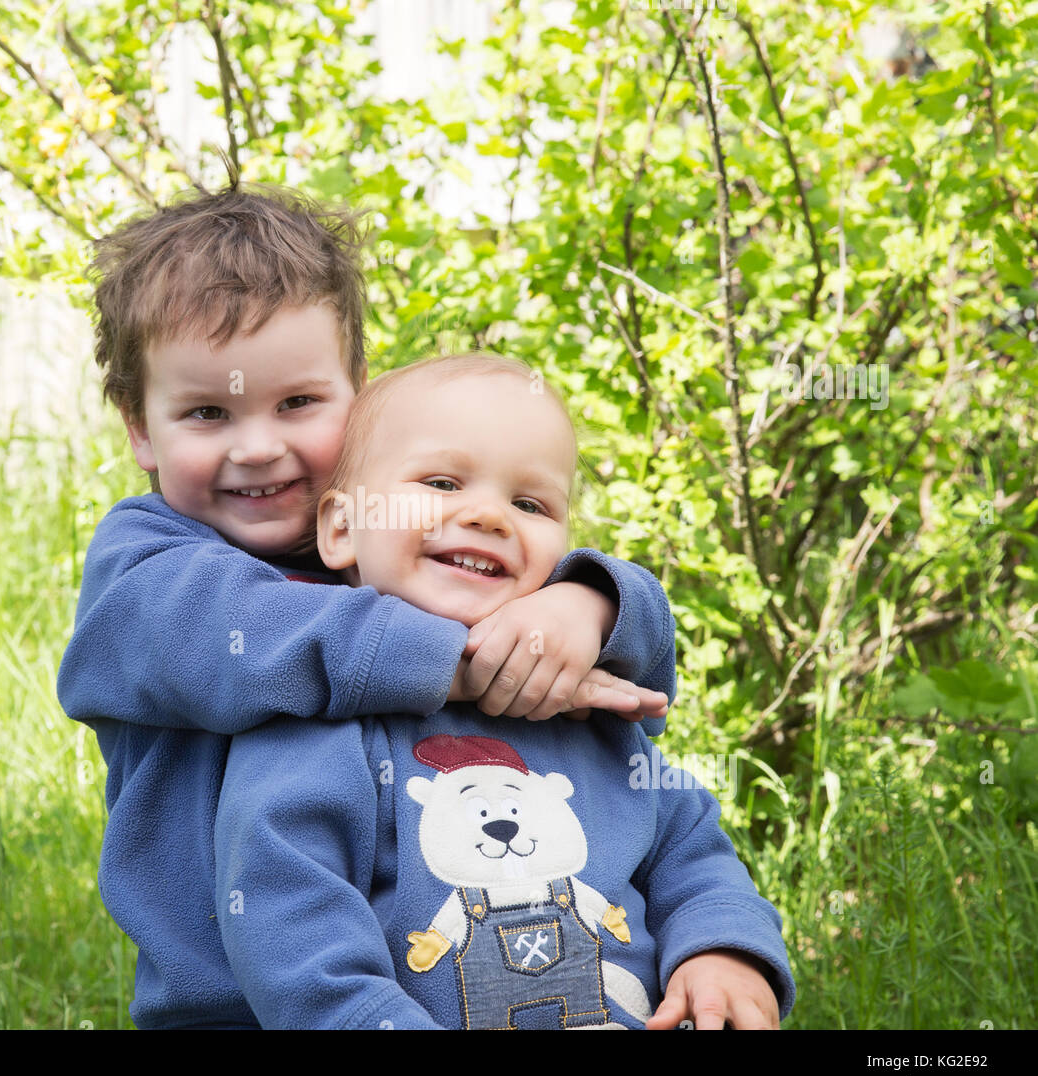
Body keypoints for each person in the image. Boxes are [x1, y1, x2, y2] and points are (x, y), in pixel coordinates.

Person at [56, 186, 676, 1027]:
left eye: (298, 403)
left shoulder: (392, 541)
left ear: (357, 392)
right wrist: (464, 662)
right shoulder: (146, 567)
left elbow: (613, 647)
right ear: (139, 427)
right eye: (207, 412)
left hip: (418, 987)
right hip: (224, 1007)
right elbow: (244, 638)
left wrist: (587, 604)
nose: (258, 445)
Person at [214, 353, 794, 1029]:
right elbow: (291, 927)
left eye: (529, 503)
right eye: (441, 481)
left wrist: (722, 948)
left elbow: (689, 849)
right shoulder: (322, 724)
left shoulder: (581, 711)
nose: (489, 515)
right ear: (342, 526)